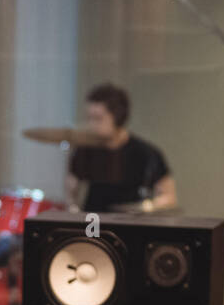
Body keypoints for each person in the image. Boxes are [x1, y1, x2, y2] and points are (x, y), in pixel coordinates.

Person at [65, 83, 177, 214]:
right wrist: (72, 208)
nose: (91, 125)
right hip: (92, 225)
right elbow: (71, 189)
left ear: (118, 117)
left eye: (98, 119)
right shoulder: (85, 149)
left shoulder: (146, 153)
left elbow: (169, 197)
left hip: (131, 224)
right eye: (89, 118)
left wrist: (145, 207)